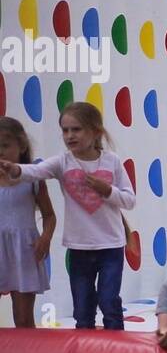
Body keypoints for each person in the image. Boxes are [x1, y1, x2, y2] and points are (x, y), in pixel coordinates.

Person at [0, 103, 136, 329]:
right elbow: (35, 171)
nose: (69, 135)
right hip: (79, 248)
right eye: (65, 130)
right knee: (82, 308)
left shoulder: (111, 161)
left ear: (96, 132)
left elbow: (130, 200)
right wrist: (15, 169)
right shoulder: (63, 162)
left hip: (111, 246)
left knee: (109, 301)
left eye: (76, 129)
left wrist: (107, 190)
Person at [0, 117, 56, 327]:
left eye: (5, 145)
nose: (0, 151)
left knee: (23, 319)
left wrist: (45, 238)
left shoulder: (32, 177)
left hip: (23, 251)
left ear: (21, 146)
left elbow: (49, 215)